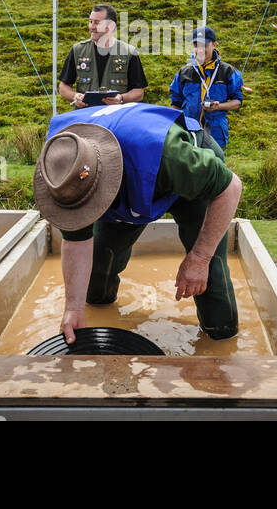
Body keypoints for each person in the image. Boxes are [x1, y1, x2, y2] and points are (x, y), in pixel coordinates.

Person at [33, 101, 244, 344]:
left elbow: (231, 187)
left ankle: (222, 337)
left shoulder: (173, 157)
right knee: (99, 270)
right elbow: (76, 242)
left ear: (106, 184)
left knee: (208, 281)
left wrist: (200, 258)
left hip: (186, 180)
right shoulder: (64, 167)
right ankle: (96, 305)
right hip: (132, 178)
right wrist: (73, 308)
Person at [57, 3, 147, 110]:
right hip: (85, 118)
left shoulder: (129, 53)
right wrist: (75, 96)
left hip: (115, 118)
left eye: (97, 23)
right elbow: (63, 87)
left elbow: (138, 92)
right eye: (90, 22)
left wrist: (121, 98)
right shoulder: (78, 50)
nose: (92, 27)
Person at [169, 25, 243, 153]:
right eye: (197, 45)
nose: (200, 49)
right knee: (190, 170)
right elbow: (176, 104)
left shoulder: (228, 72)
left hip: (216, 134)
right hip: (189, 133)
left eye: (205, 45)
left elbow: (237, 102)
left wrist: (218, 106)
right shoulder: (184, 72)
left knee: (216, 169)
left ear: (214, 45)